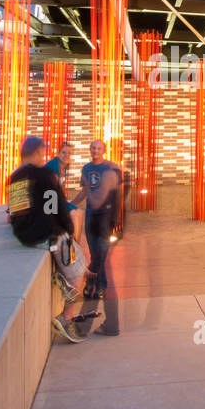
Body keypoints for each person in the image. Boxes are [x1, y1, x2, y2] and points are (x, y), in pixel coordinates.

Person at [7, 134, 82, 343]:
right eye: (42, 151)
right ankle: (66, 321)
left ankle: (60, 277)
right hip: (48, 236)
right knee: (79, 274)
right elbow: (56, 208)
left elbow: (15, 211)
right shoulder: (45, 175)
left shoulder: (16, 176)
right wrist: (68, 232)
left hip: (25, 236)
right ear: (38, 152)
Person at [74, 139, 122, 336]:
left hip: (104, 220)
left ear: (104, 150)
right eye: (93, 147)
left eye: (99, 148)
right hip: (91, 219)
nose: (95, 150)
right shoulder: (86, 169)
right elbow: (85, 191)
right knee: (97, 267)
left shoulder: (112, 168)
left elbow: (117, 195)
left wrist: (116, 222)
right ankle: (108, 325)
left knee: (97, 272)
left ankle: (85, 327)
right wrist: (69, 204)